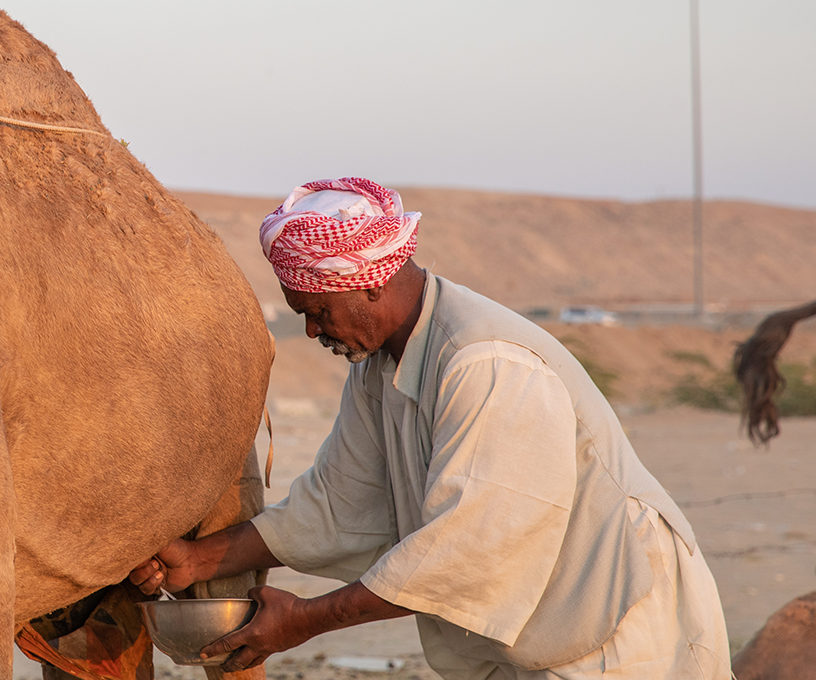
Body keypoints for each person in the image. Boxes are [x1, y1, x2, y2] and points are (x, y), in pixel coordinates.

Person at [130, 178, 729, 680]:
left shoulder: (484, 362)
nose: (313, 332)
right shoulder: (377, 366)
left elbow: (466, 550)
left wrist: (304, 620)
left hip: (617, 622)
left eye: (317, 311)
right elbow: (338, 504)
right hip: (531, 634)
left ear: (369, 281)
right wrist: (201, 559)